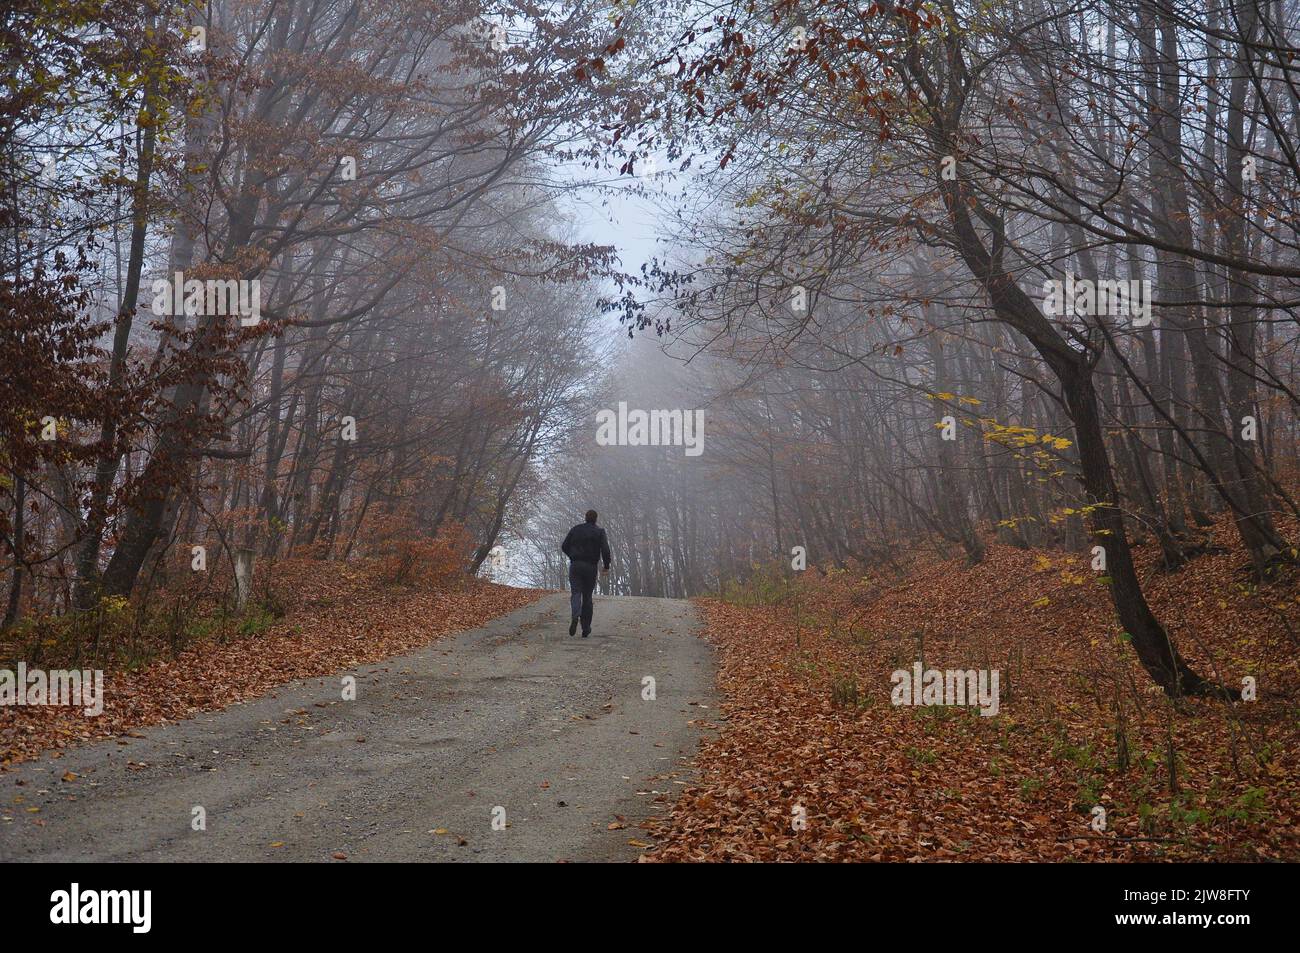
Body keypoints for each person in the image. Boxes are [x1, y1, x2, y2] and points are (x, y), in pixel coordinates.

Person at [561, 510, 611, 637]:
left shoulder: (575, 529)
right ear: (596, 519)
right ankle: (586, 627)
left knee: (576, 592)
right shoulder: (599, 532)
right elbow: (605, 549)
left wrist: (572, 556)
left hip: (576, 565)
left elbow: (564, 546)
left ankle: (575, 615)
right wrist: (606, 566)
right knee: (587, 597)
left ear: (585, 518)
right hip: (590, 567)